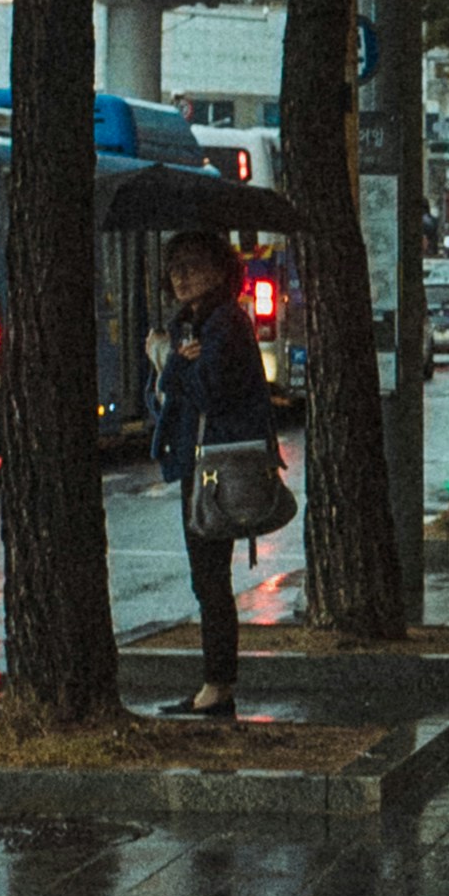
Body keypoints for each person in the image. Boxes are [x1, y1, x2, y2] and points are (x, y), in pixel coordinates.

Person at [148, 232, 277, 720]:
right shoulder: (190, 325)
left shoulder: (225, 323)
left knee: (211, 580)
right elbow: (169, 399)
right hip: (195, 464)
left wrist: (170, 365)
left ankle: (218, 686)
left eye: (193, 263)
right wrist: (167, 365)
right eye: (175, 265)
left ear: (222, 270)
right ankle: (214, 682)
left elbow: (209, 393)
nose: (181, 275)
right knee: (206, 579)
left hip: (216, 467)